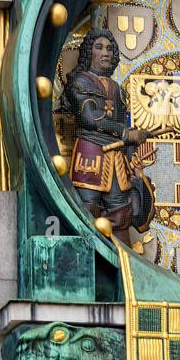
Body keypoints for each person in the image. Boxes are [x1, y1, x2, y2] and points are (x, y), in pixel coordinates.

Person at [62, 28, 152, 245]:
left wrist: (132, 157)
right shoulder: (80, 81)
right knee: (87, 208)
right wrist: (126, 133)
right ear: (88, 53)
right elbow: (90, 118)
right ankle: (85, 255)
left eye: (110, 49)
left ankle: (122, 261)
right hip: (91, 154)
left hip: (117, 160)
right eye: (99, 47)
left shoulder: (117, 89)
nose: (106, 53)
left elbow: (124, 127)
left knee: (121, 211)